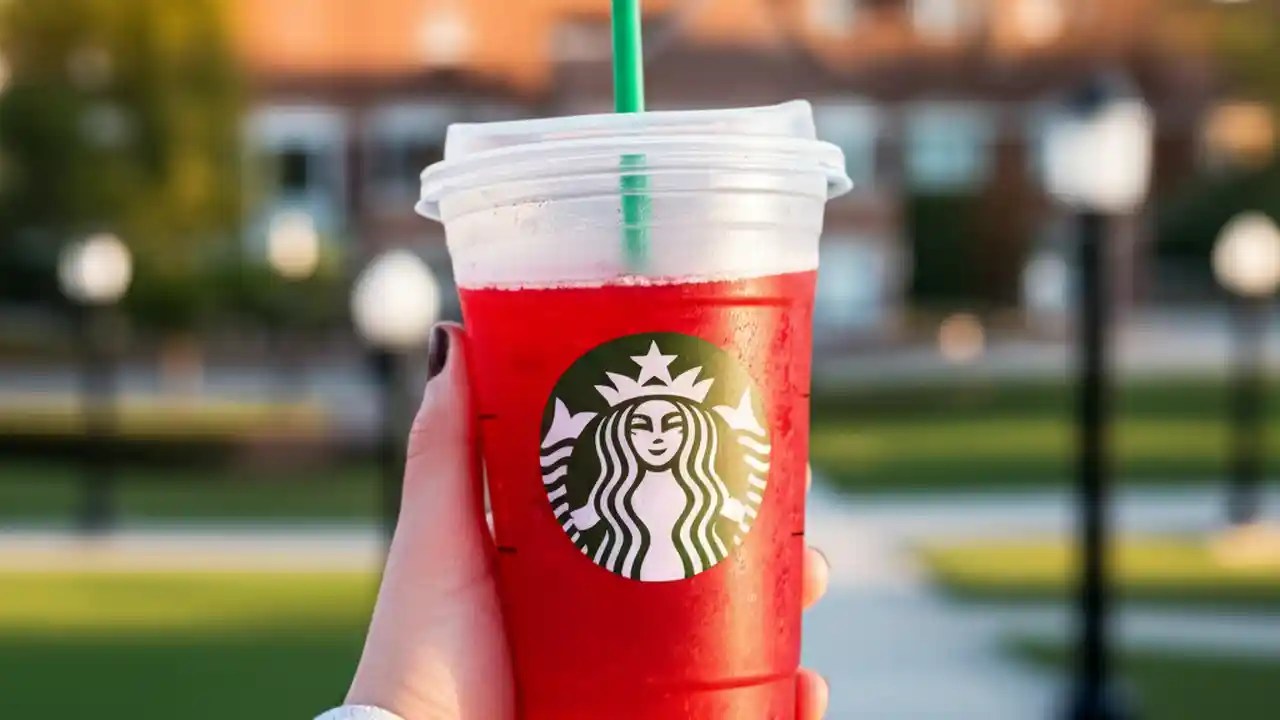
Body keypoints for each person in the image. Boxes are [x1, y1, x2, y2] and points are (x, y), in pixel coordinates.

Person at [317, 324, 832, 720]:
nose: (656, 436)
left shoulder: (707, 506)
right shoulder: (603, 509)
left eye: (671, 423)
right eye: (641, 424)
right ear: (618, 437)